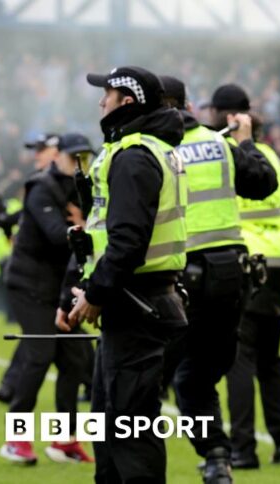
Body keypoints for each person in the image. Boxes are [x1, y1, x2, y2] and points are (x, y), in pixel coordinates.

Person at [57, 66, 188, 484]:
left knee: (130, 428)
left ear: (126, 101)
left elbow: (129, 241)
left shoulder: (134, 156)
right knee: (109, 423)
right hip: (132, 301)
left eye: (107, 94)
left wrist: (95, 292)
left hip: (136, 303)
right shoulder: (137, 149)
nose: (101, 101)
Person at [158, 76, 277, 483]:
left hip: (178, 279)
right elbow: (264, 183)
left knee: (161, 376)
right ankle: (218, 457)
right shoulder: (220, 143)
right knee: (201, 372)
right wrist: (245, 142)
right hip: (231, 277)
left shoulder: (156, 150)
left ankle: (197, 454)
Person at [210, 83, 280, 468]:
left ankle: (243, 449)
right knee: (270, 359)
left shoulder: (228, 153)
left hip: (246, 260)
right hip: (279, 263)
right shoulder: (271, 156)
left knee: (240, 359)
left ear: (227, 116)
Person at [0, 133, 96, 465]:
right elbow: (57, 234)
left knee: (77, 359)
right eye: (75, 156)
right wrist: (84, 229)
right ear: (60, 157)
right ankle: (15, 440)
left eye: (86, 156)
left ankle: (65, 441)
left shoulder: (88, 189)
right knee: (40, 355)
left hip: (61, 287)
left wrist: (85, 227)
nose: (80, 162)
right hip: (28, 284)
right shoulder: (42, 186)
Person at [0, 133, 60, 404]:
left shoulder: (57, 183)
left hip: (52, 274)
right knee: (43, 340)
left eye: (41, 150)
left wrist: (2, 223)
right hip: (37, 275)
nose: (36, 155)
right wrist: (3, 223)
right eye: (35, 150)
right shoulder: (41, 182)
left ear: (57, 152)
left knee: (51, 343)